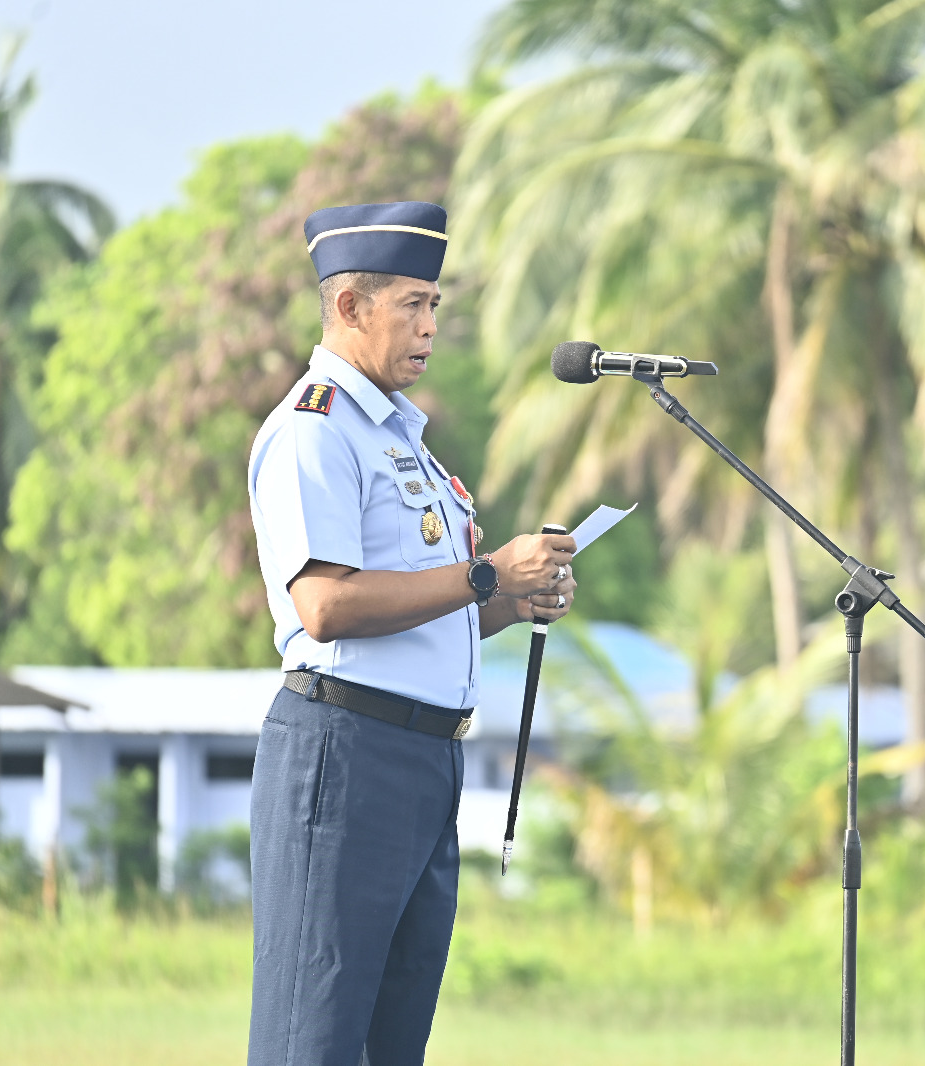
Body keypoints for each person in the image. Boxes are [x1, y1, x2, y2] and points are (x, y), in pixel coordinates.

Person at [244, 200, 576, 1066]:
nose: (432, 328)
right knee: (310, 1040)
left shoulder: (405, 443)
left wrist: (512, 602)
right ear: (350, 307)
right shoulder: (315, 432)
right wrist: (487, 575)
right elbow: (324, 607)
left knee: (393, 1044)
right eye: (414, 306)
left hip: (425, 762)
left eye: (436, 307)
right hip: (344, 752)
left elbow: (428, 620)